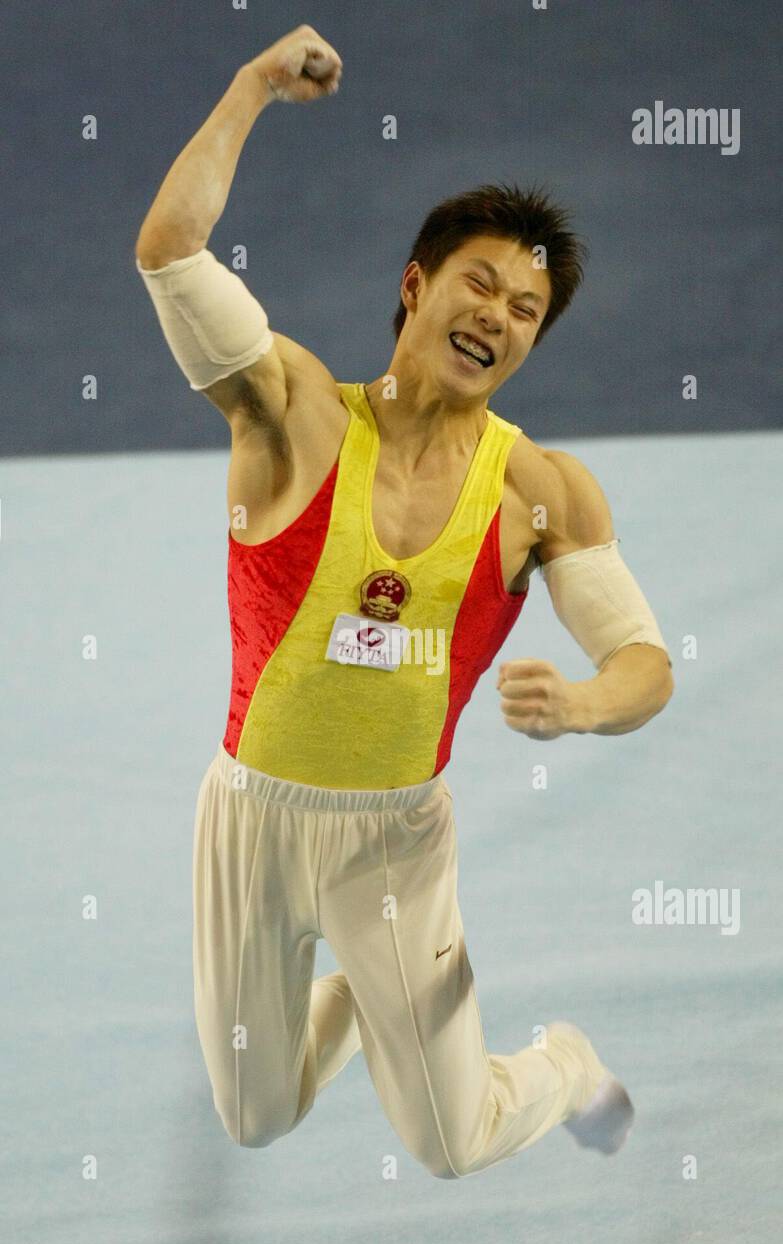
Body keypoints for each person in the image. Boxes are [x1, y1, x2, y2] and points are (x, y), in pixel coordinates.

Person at [135, 26, 674, 1179]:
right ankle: (345, 994)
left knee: (454, 1138)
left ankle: (564, 1063)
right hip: (251, 818)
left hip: (396, 842)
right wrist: (248, 90)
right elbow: (172, 251)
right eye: (480, 281)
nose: (498, 314)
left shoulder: (541, 492)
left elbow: (644, 662)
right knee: (257, 1115)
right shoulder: (288, 414)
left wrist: (583, 706)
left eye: (527, 308)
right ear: (416, 285)